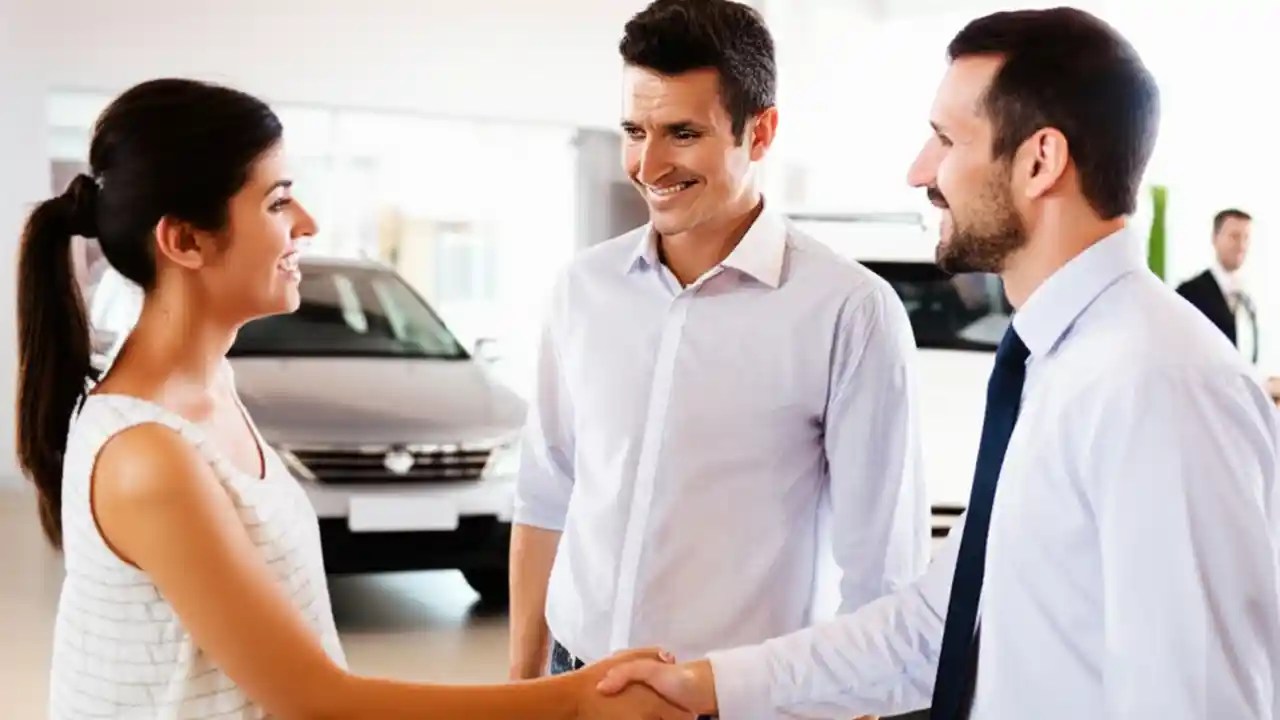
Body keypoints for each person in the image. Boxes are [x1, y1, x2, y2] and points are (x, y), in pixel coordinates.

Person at [595, 8, 1280, 719]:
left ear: (1040, 161)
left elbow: (1199, 704)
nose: (920, 170)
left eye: (947, 139)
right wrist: (708, 685)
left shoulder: (1159, 384)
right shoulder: (1057, 362)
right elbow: (932, 632)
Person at [15, 78, 688, 720]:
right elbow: (316, 701)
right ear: (185, 240)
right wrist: (574, 699)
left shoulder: (211, 388)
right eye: (277, 202)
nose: (307, 223)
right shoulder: (147, 457)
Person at [509, 0, 928, 704]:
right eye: (634, 131)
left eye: (683, 133)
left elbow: (879, 573)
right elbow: (546, 492)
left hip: (741, 702)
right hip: (574, 683)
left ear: (760, 132)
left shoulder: (849, 310)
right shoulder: (583, 290)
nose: (648, 165)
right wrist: (521, 687)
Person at [1176, 208, 1258, 363]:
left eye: (1246, 238)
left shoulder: (1247, 297)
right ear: (1215, 238)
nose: (1241, 245)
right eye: (1234, 236)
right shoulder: (1189, 293)